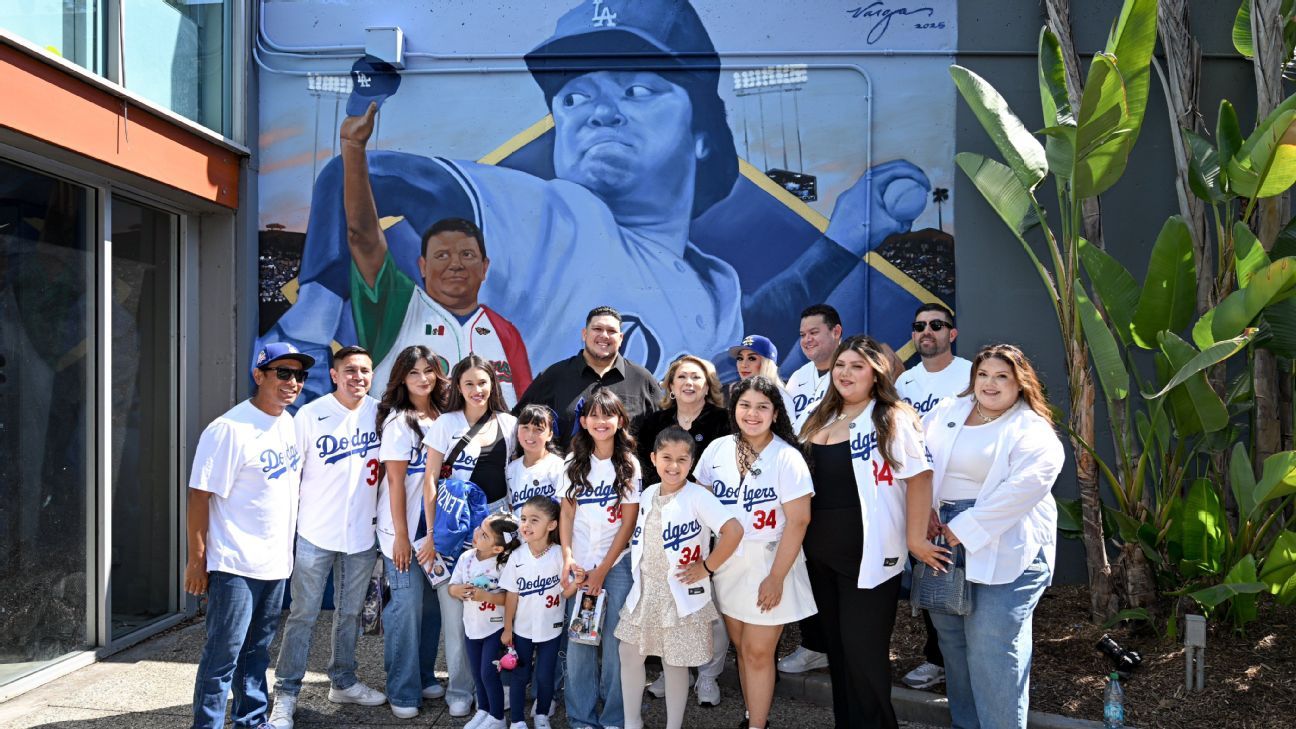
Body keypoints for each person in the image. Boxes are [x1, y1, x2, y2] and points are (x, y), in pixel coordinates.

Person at [262, 0, 933, 387]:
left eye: (637, 90)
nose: (599, 112)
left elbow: (749, 323)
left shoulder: (713, 284)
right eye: (575, 97)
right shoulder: (553, 212)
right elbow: (373, 178)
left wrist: (846, 237)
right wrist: (313, 319)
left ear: (703, 134)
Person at [799, 335, 948, 728]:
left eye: (857, 366)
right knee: (839, 654)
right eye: (840, 365)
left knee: (863, 656)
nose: (845, 373)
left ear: (876, 373)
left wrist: (915, 540)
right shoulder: (819, 416)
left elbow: (920, 476)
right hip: (819, 558)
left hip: (869, 555)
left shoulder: (891, 416)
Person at [340, 101, 532, 405]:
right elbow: (362, 237)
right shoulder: (398, 307)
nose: (455, 264)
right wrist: (353, 148)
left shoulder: (504, 332)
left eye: (467, 255)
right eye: (442, 256)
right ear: (423, 266)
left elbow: (525, 410)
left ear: (485, 267)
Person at [923, 344, 1065, 729]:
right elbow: (917, 459)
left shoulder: (1032, 428)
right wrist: (925, 513)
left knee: (992, 647)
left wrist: (964, 527)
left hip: (1008, 545)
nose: (990, 383)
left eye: (1002, 376)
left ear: (1020, 384)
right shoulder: (947, 411)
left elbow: (1026, 487)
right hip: (942, 538)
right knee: (952, 642)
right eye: (983, 374)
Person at [186, 342, 312, 729]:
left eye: (300, 375)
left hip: (275, 563)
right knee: (222, 656)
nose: (293, 382)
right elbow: (199, 496)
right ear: (258, 375)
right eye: (283, 373)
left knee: (256, 653)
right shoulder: (229, 429)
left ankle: (252, 720)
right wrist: (197, 560)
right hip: (235, 564)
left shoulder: (288, 422)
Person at [269, 346, 386, 728]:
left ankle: (344, 680)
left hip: (361, 534)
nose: (358, 377)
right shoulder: (310, 414)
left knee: (349, 614)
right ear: (334, 375)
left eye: (364, 370)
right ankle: (286, 693)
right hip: (315, 532)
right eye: (349, 370)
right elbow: (290, 475)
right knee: (302, 615)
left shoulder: (382, 414)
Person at [693, 375, 817, 729]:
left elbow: (799, 521)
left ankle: (758, 724)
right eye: (745, 405)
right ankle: (752, 715)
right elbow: (700, 504)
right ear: (734, 410)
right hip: (727, 563)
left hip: (772, 562)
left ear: (775, 413)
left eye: (762, 407)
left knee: (760, 653)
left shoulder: (787, 457)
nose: (753, 413)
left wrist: (776, 577)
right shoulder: (717, 450)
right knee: (743, 648)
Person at [618, 426, 743, 729]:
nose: (673, 466)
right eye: (666, 458)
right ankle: (632, 722)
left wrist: (707, 567)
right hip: (646, 591)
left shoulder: (698, 496)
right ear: (653, 458)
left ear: (691, 463)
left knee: (675, 662)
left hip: (680, 595)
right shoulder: (648, 494)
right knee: (629, 653)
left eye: (682, 460)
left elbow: (733, 530)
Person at [418, 354, 520, 717]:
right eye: (469, 384)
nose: (477, 390)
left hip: (497, 531)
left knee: (496, 609)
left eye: (483, 383)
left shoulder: (509, 424)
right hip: (454, 529)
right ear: (458, 388)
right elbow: (430, 480)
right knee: (456, 613)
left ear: (493, 384)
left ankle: (494, 686)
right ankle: (460, 689)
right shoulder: (446, 423)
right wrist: (432, 533)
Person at [894, 302, 971, 691]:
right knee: (932, 582)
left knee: (971, 585)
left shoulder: (972, 374)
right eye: (920, 325)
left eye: (936, 325)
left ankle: (972, 662)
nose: (927, 331)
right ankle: (938, 660)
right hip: (919, 498)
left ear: (951, 334)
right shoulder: (904, 383)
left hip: (964, 497)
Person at [374, 345, 451, 719]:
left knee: (431, 608)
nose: (423, 378)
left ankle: (422, 675)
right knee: (405, 608)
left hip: (436, 532)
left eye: (429, 371)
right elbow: (394, 482)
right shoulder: (399, 422)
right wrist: (401, 537)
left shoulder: (444, 417)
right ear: (402, 379)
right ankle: (402, 690)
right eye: (414, 372)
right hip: (403, 531)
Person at [558, 388, 642, 729]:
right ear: (583, 422)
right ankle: (581, 719)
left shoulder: (629, 464)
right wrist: (567, 557)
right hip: (580, 566)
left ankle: (615, 718)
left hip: (617, 565)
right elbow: (566, 514)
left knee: (616, 646)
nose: (600, 421)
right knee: (579, 644)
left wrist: (603, 570)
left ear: (620, 420)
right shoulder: (572, 463)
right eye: (593, 415)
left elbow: (628, 523)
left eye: (607, 414)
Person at [777, 304, 842, 676]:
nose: (807, 340)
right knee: (807, 566)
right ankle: (815, 644)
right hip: (802, 484)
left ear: (836, 332)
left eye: (814, 332)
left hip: (838, 484)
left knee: (835, 567)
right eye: (802, 335)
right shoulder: (799, 378)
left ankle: (840, 645)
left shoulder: (851, 370)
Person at [518, 306, 663, 446]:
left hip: (627, 463)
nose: (604, 335)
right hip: (565, 463)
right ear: (584, 334)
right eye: (597, 329)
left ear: (621, 338)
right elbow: (518, 421)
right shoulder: (554, 376)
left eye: (611, 331)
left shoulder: (642, 379)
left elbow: (663, 433)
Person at [501, 496, 578, 729]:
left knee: (545, 675)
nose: (526, 525)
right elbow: (511, 595)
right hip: (522, 629)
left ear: (552, 525)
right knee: (520, 675)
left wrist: (578, 581)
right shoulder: (517, 556)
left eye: (534, 520)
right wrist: (507, 628)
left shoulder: (560, 555)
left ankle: (542, 714)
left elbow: (566, 593)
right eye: (524, 519)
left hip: (551, 629)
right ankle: (517, 721)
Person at [449, 513, 522, 729]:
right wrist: (456, 590)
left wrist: (486, 596)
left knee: (488, 673)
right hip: (472, 627)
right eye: (480, 528)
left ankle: (497, 717)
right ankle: (483, 710)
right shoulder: (466, 557)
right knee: (477, 674)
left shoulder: (504, 565)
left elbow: (510, 598)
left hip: (495, 628)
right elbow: (452, 586)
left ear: (497, 548)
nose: (477, 533)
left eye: (484, 535)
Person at [636, 354, 730, 487]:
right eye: (682, 377)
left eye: (696, 377)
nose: (689, 382)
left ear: (707, 387)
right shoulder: (653, 423)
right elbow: (643, 468)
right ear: (671, 386)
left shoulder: (726, 421)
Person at [506, 404, 566, 511]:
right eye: (525, 427)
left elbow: (565, 510)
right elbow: (511, 508)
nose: (530, 434)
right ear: (517, 432)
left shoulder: (558, 467)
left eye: (538, 429)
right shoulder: (510, 470)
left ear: (550, 435)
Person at [727, 334, 796, 416]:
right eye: (740, 358)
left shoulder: (781, 397)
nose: (743, 365)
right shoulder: (737, 394)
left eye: (752, 358)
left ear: (766, 364)